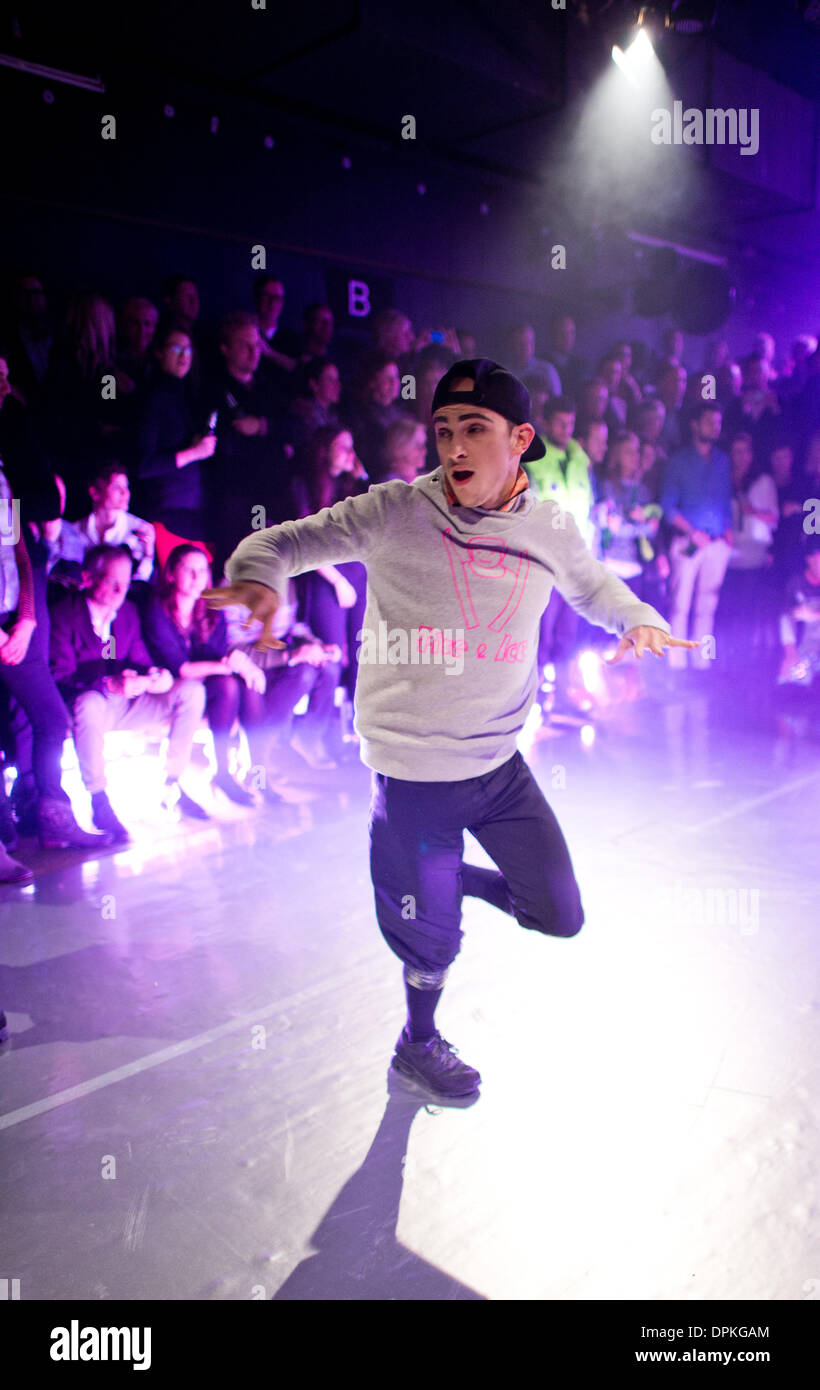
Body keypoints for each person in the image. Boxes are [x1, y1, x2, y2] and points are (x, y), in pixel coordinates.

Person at [205, 359, 695, 1102]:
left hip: (499, 768)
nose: (454, 447)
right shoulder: (395, 510)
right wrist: (260, 578)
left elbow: (591, 585)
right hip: (413, 777)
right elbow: (280, 545)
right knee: (431, 945)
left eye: (474, 430)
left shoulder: (550, 525)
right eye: (442, 431)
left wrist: (640, 618)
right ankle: (419, 1040)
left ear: (521, 438)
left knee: (558, 915)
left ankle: (442, 883)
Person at [49, 544, 208, 842]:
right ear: (88, 578)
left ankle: (172, 782)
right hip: (90, 704)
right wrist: (109, 684)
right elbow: (60, 676)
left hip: (128, 703)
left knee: (191, 691)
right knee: (89, 704)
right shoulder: (64, 614)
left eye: (125, 579)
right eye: (112, 580)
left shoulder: (128, 613)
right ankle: (98, 800)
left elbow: (140, 660)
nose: (122, 588)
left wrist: (153, 676)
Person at [0, 460, 108, 869]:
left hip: (15, 621)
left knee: (49, 718)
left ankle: (53, 821)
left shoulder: (3, 471)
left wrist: (26, 617)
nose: (5, 390)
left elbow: (17, 551)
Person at [142, 546, 264, 806]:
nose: (198, 577)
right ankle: (177, 783)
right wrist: (232, 665)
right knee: (229, 677)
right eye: (189, 570)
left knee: (234, 685)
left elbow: (219, 656)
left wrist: (240, 667)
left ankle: (232, 771)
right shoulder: (157, 609)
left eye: (203, 570)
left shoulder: (212, 608)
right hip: (165, 685)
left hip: (203, 684)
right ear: (172, 573)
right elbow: (182, 669)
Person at [659, 402, 733, 671]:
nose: (715, 427)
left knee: (707, 605)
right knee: (680, 604)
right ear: (695, 424)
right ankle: (676, 664)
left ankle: (701, 663)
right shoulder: (678, 461)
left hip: (717, 544)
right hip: (687, 542)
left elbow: (726, 499)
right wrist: (692, 531)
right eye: (710, 422)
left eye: (718, 423)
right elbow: (667, 506)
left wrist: (728, 529)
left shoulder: (722, 461)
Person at [133, 322, 216, 548]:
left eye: (188, 350)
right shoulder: (153, 398)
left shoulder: (187, 394)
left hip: (193, 510)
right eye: (176, 349)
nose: (184, 356)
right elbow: (143, 465)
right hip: (166, 512)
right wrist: (194, 452)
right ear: (159, 352)